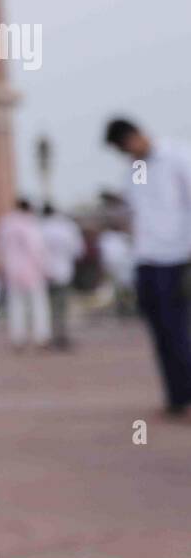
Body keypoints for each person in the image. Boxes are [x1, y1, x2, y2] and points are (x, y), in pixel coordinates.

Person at [104, 118, 191, 415]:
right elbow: (132, 210)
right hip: (146, 257)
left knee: (178, 329)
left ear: (136, 135)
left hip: (177, 256)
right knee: (160, 330)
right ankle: (177, 397)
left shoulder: (179, 156)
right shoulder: (133, 170)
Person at [0, 197, 50, 350]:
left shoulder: (6, 223)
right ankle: (40, 336)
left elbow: (0, 248)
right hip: (32, 271)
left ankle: (18, 337)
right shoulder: (30, 224)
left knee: (16, 305)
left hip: (12, 270)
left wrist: (2, 267)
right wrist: (44, 268)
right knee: (37, 305)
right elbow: (36, 248)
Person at [40, 203, 84, 350]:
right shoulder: (67, 227)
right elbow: (78, 250)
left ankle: (51, 336)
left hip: (44, 273)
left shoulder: (40, 227)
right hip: (63, 270)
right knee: (62, 306)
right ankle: (61, 335)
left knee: (48, 307)